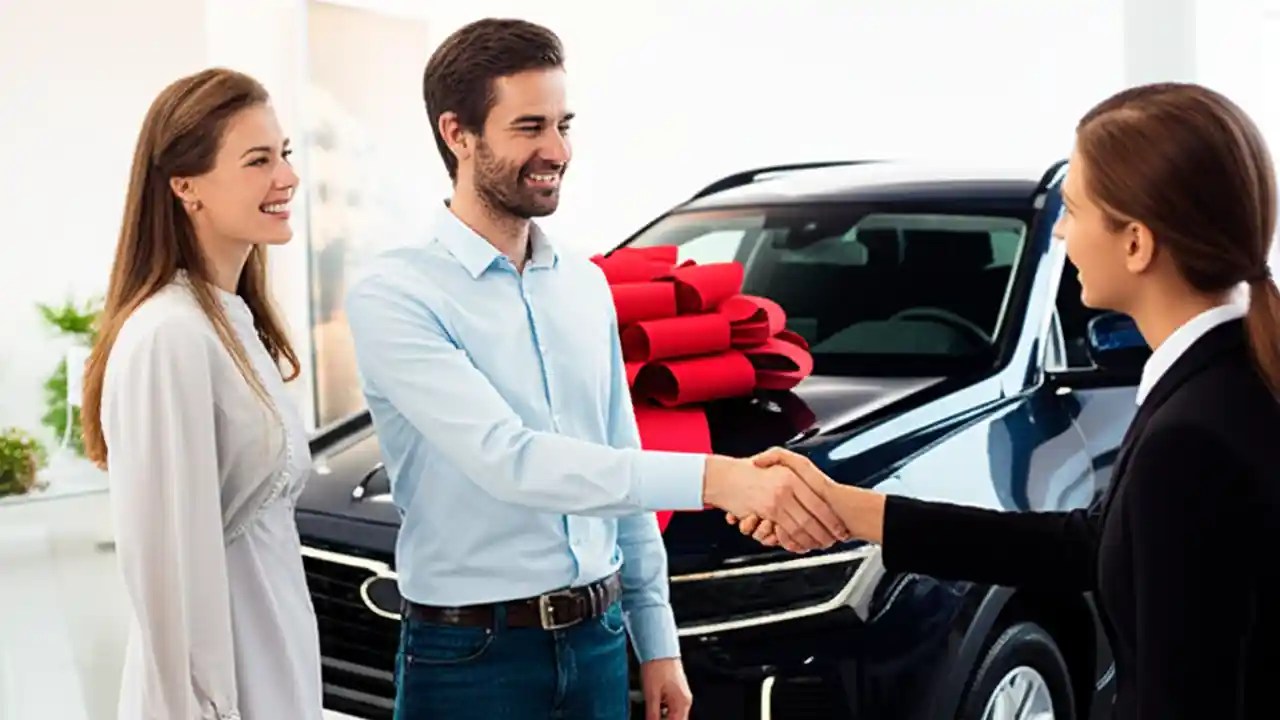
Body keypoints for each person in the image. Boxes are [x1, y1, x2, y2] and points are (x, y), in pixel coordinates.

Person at [343, 17, 845, 720]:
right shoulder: (395, 294)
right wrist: (718, 478)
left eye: (563, 123)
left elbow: (621, 463)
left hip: (600, 644)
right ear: (458, 134)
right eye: (529, 127)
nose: (558, 150)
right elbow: (509, 460)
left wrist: (657, 640)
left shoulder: (581, 284)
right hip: (470, 662)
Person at [735, 82, 1280, 719]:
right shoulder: (1227, 387)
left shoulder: (1192, 436)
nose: (1064, 237)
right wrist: (853, 509)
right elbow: (1087, 546)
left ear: (1135, 242)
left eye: (1074, 212)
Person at [80, 68, 323, 720]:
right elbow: (167, 579)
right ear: (184, 186)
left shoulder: (233, 323)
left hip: (278, 680)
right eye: (257, 160)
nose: (287, 177)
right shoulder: (169, 336)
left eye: (285, 154)